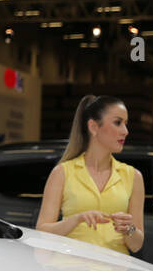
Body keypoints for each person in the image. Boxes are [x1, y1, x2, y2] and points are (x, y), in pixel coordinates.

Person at [34, 94, 145, 255]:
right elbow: (42, 233)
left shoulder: (133, 177)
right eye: (118, 123)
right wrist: (77, 219)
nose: (125, 131)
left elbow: (136, 245)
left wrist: (129, 229)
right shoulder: (62, 172)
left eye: (126, 124)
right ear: (93, 127)